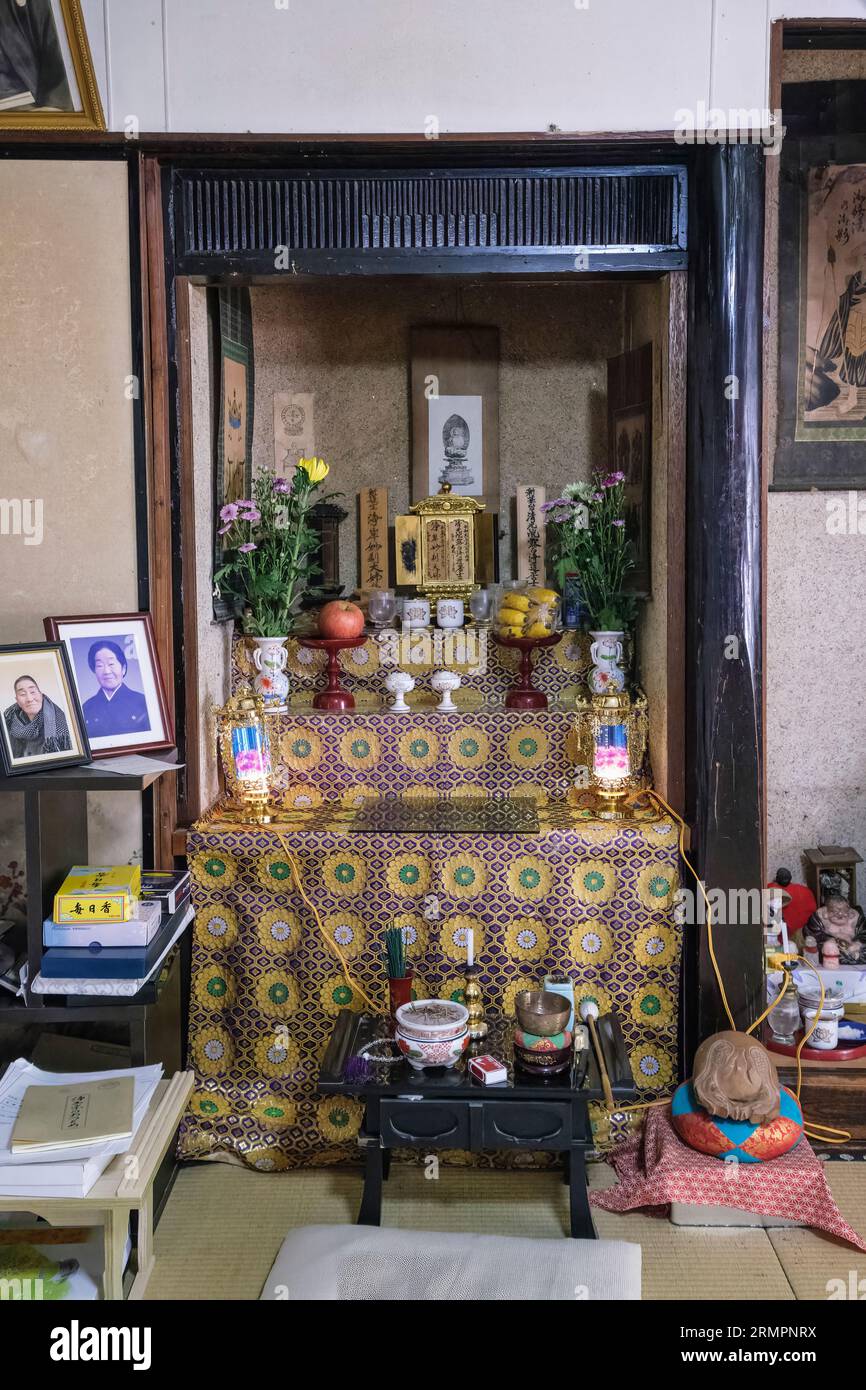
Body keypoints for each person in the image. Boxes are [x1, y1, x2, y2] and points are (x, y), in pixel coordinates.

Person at [0, 0, 73, 111]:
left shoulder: (55, 6)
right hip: (16, 106)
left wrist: (54, 105)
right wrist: (27, 112)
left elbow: (64, 65)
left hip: (57, 103)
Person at [81, 641, 151, 740]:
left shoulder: (143, 702)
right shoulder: (86, 707)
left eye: (111, 664)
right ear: (94, 671)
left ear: (123, 668)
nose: (106, 671)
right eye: (100, 666)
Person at [4, 674, 71, 758]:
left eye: (33, 692)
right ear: (17, 700)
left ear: (41, 695)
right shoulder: (9, 723)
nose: (29, 699)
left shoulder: (61, 725)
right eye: (22, 694)